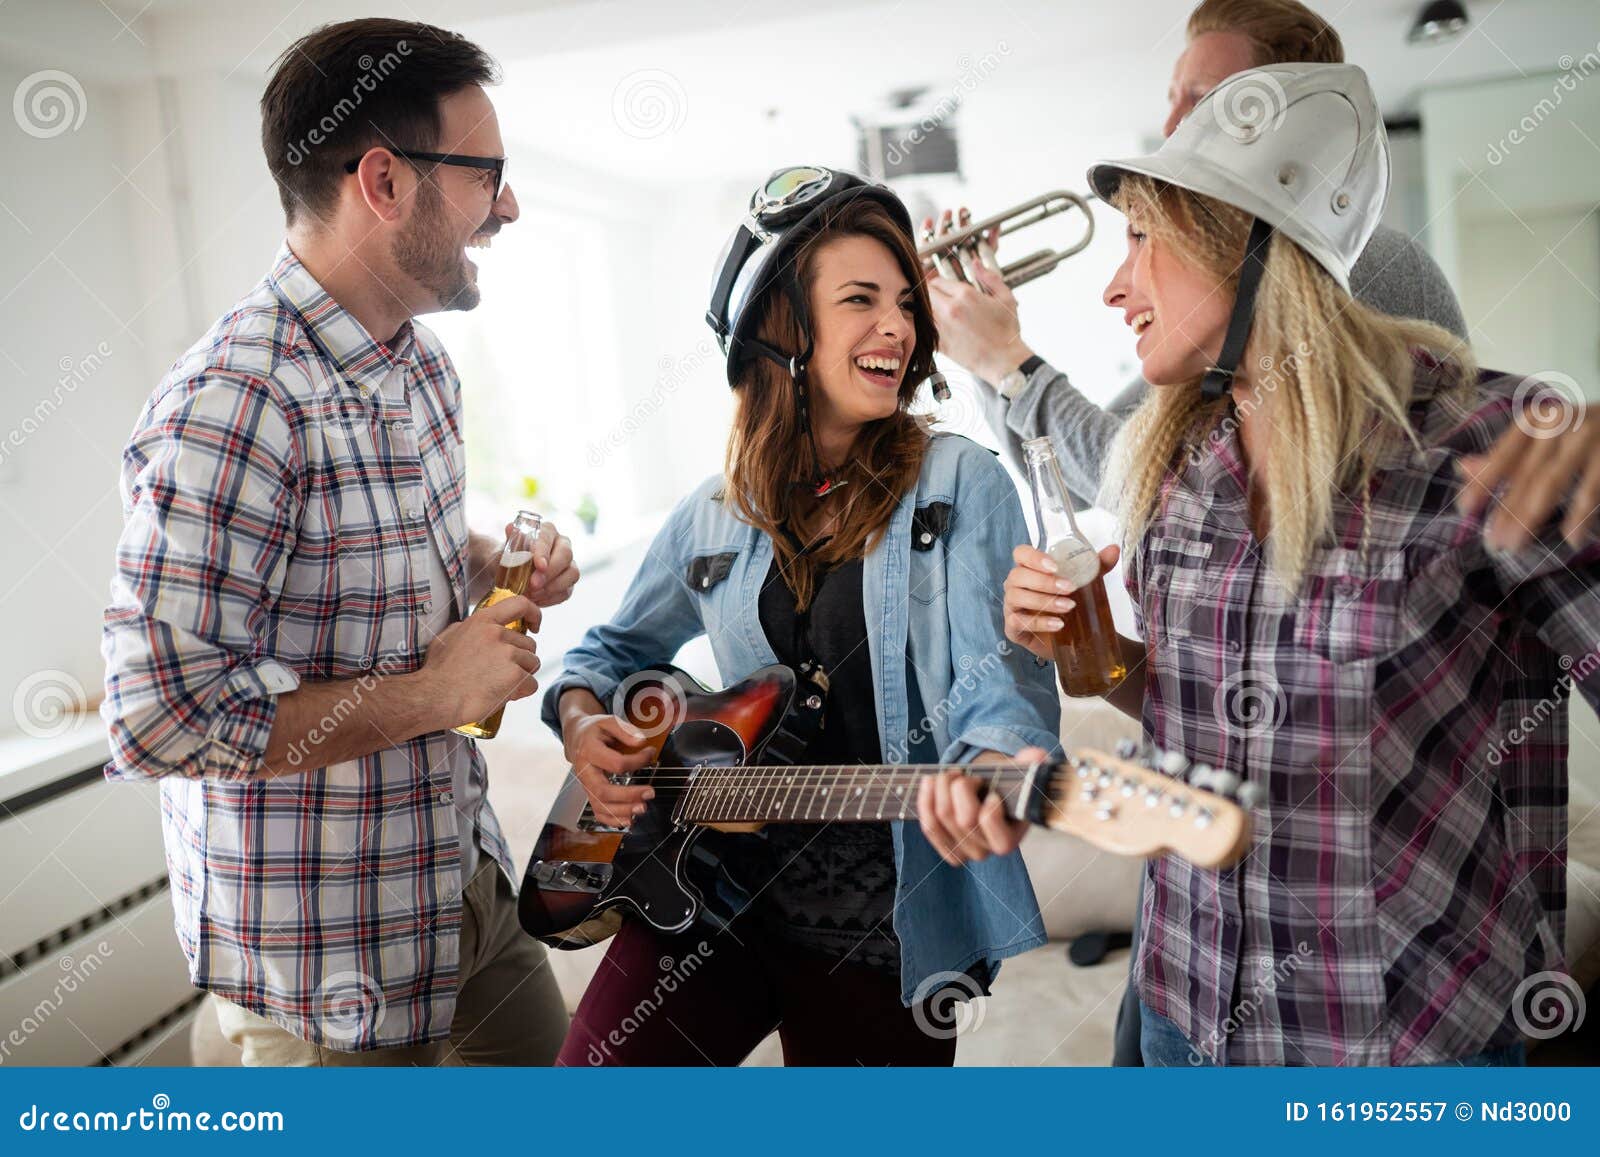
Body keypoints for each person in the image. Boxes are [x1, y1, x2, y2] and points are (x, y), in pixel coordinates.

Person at [992, 62, 1599, 1066]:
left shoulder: (1486, 448)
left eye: (1140, 238)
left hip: (1399, 1045)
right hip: (1185, 1009)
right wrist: (1085, 657)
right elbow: (1203, 716)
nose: (1113, 284)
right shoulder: (1177, 467)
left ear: (1250, 244)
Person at [101, 19, 577, 1066]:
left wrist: (493, 549)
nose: (507, 206)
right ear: (385, 181)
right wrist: (428, 694)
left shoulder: (422, 371)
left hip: (467, 887)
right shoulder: (234, 399)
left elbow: (373, 550)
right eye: (487, 175)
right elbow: (156, 716)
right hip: (328, 974)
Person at [545, 166, 1058, 1066]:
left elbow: (1000, 690)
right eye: (860, 299)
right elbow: (607, 650)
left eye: (904, 302)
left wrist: (996, 768)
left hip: (886, 938)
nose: (897, 326)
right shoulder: (712, 509)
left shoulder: (963, 483)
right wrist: (587, 726)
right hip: (706, 897)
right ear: (781, 330)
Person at [928, 0, 1597, 543]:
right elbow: (1089, 477)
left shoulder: (1366, 264)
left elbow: (1129, 477)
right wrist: (990, 353)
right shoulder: (1220, 350)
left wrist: (1008, 364)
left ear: (1286, 126)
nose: (1172, 127)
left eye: (1206, 102)